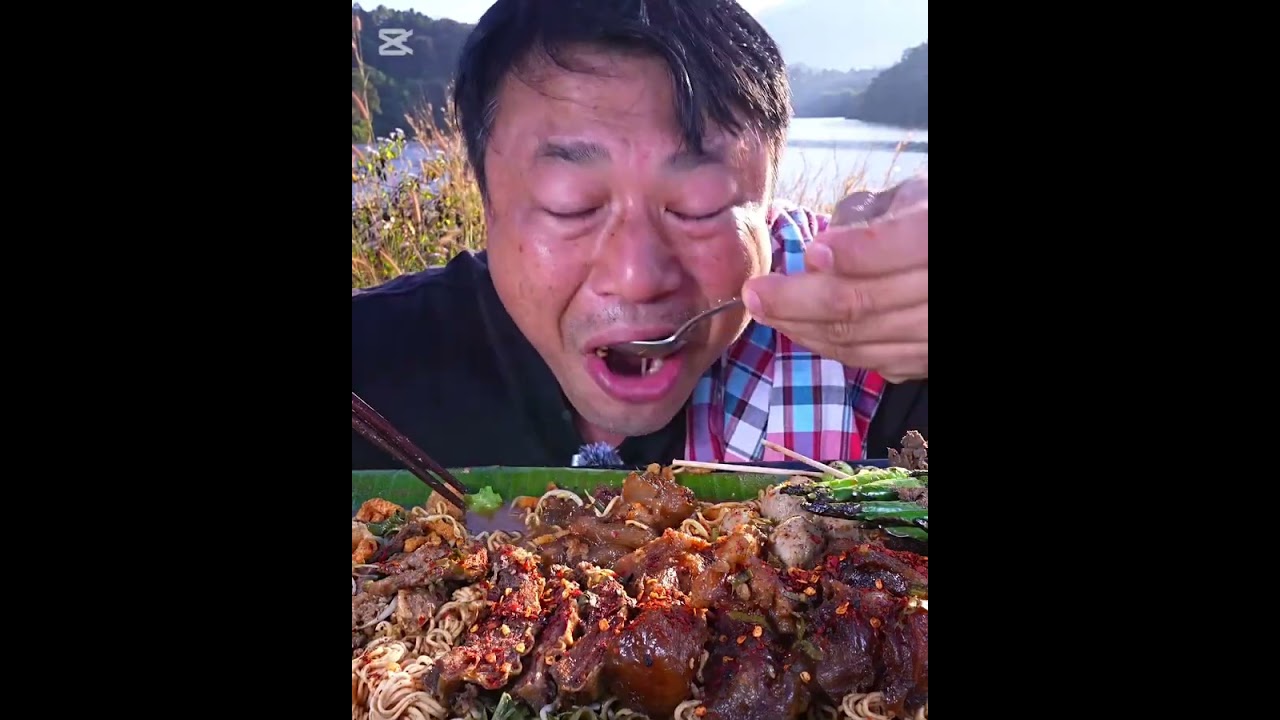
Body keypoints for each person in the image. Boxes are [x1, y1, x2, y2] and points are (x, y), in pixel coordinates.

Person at [352, 0, 927, 470]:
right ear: (490, 208)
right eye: (570, 205)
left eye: (698, 207)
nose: (638, 276)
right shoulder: (377, 364)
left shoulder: (875, 347)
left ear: (768, 210)